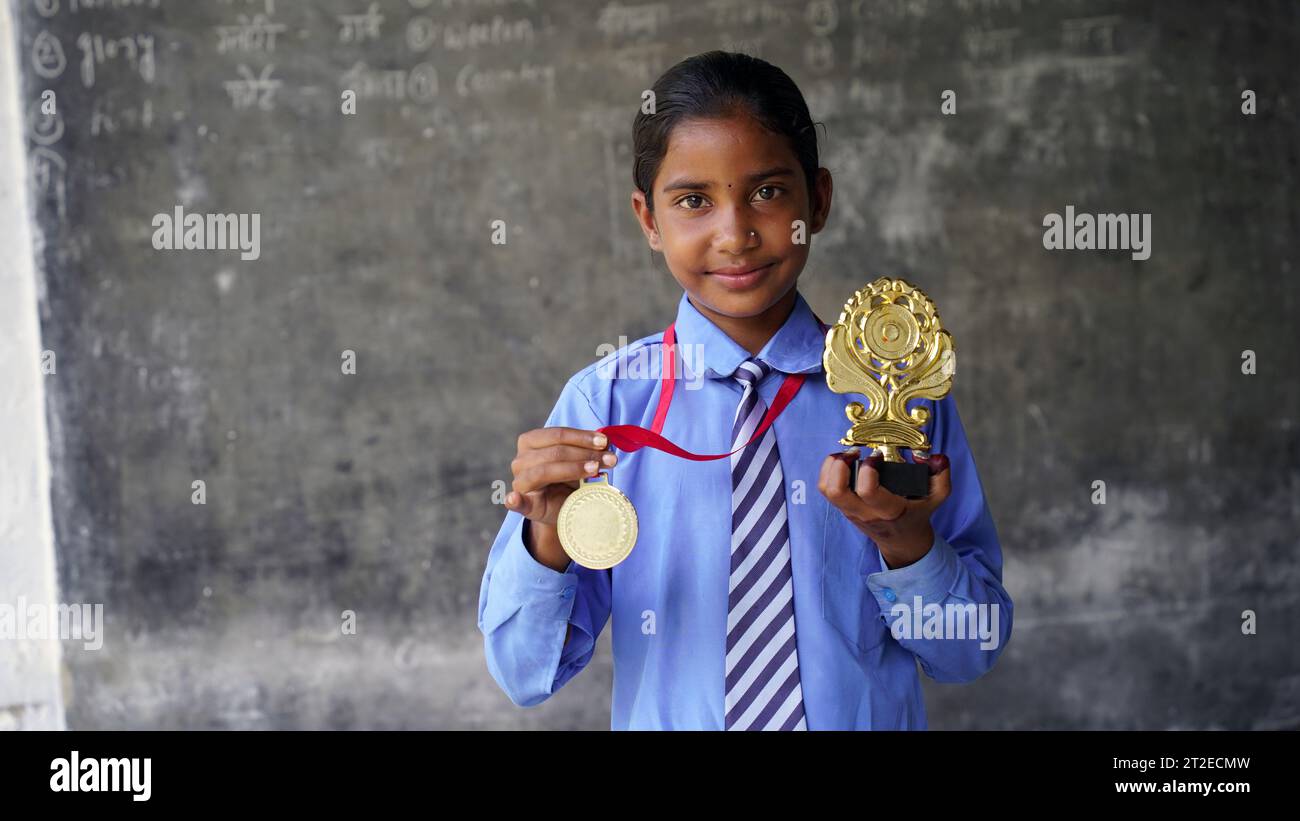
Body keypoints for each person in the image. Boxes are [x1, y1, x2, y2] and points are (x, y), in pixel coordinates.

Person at [478, 50, 1012, 730]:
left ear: (817, 200)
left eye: (766, 192)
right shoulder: (605, 407)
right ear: (648, 219)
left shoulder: (898, 393)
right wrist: (547, 539)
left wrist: (907, 544)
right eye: (693, 200)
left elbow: (971, 651)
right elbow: (524, 675)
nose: (735, 234)